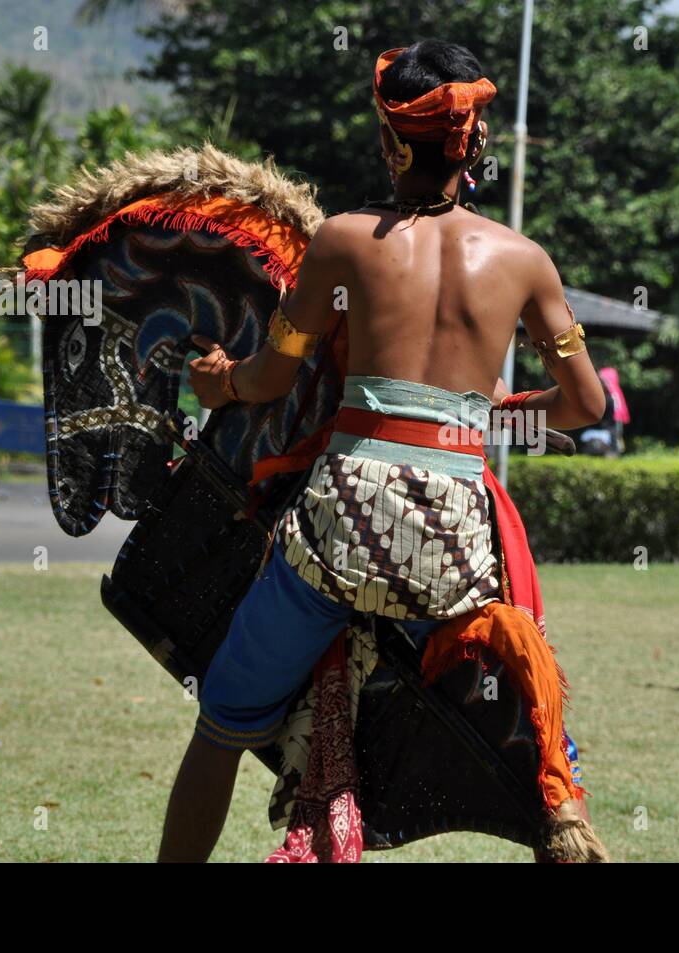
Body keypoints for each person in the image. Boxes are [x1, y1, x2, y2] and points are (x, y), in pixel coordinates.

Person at [157, 39, 608, 862]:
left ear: (391, 143)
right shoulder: (523, 260)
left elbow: (271, 377)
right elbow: (586, 405)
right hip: (452, 546)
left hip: (343, 530)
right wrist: (490, 415)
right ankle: (561, 802)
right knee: (523, 732)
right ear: (473, 142)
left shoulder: (343, 242)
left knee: (222, 720)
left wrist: (220, 384)